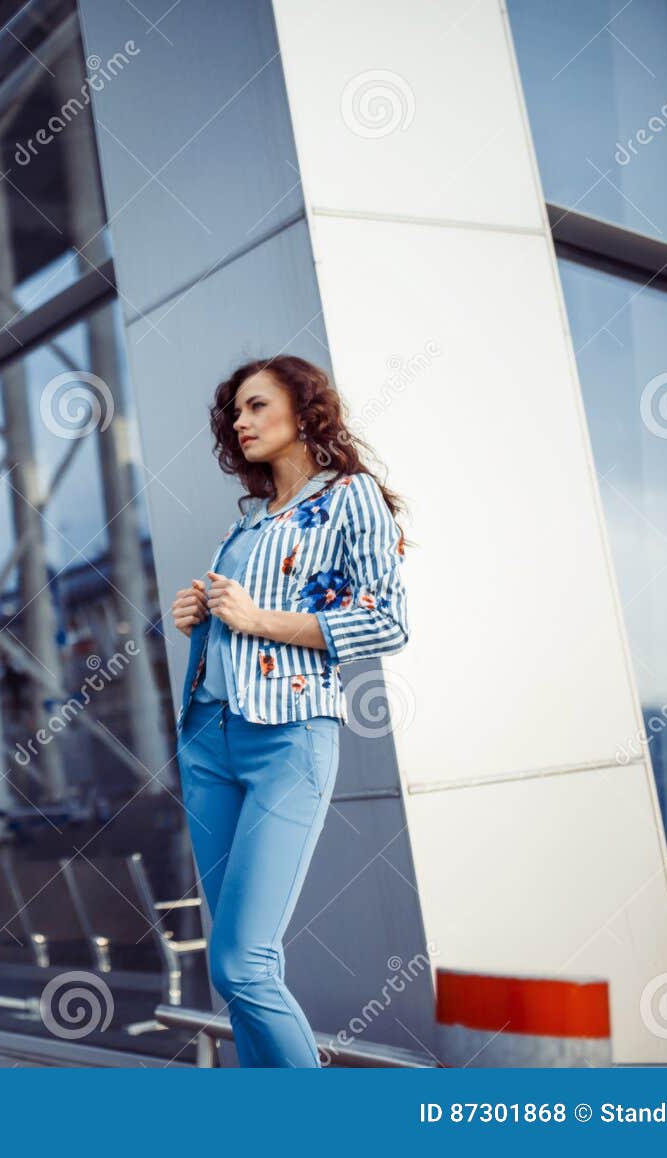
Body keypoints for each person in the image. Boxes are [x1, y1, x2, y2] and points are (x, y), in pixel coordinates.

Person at [168, 355, 409, 1067]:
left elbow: (386, 621)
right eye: (235, 413)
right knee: (234, 970)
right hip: (208, 742)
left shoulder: (350, 499)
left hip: (287, 739)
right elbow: (240, 623)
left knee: (244, 962)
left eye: (256, 407)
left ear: (305, 413)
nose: (240, 423)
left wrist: (258, 619)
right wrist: (202, 622)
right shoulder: (248, 522)